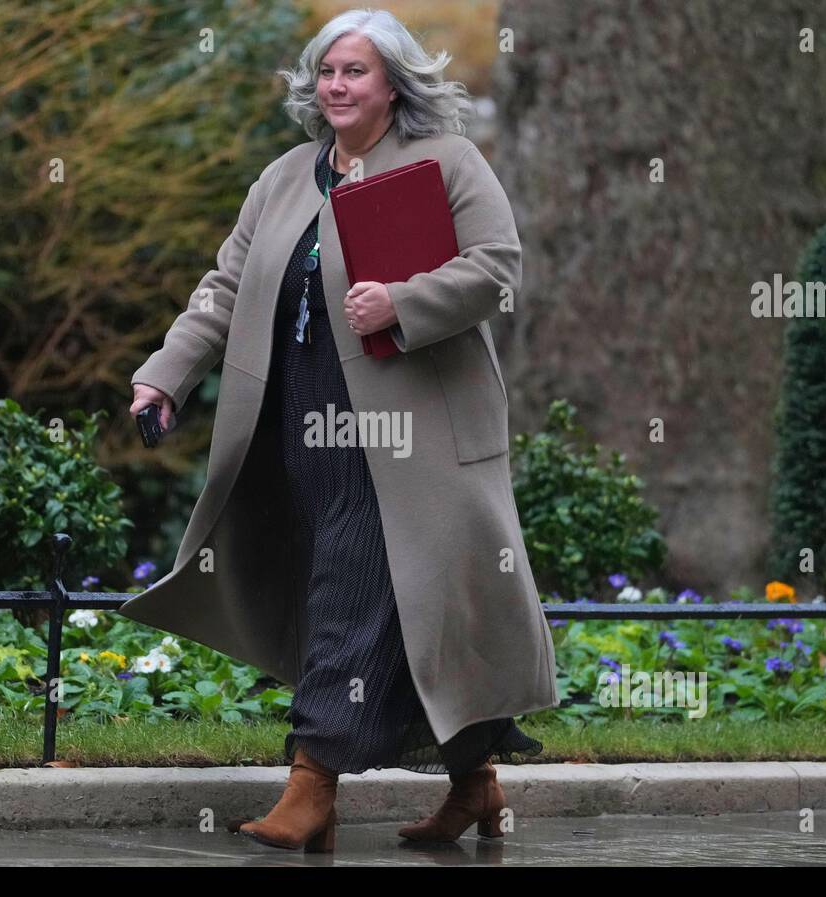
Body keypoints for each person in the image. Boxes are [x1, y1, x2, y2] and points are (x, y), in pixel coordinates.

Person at [124, 8, 559, 853]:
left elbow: (497, 265)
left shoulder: (444, 161)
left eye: (354, 71)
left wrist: (403, 302)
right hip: (299, 415)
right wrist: (163, 373)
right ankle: (475, 783)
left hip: (407, 429)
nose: (335, 86)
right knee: (386, 593)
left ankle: (312, 783)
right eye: (325, 71)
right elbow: (223, 288)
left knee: (351, 581)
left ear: (395, 81)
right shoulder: (286, 177)